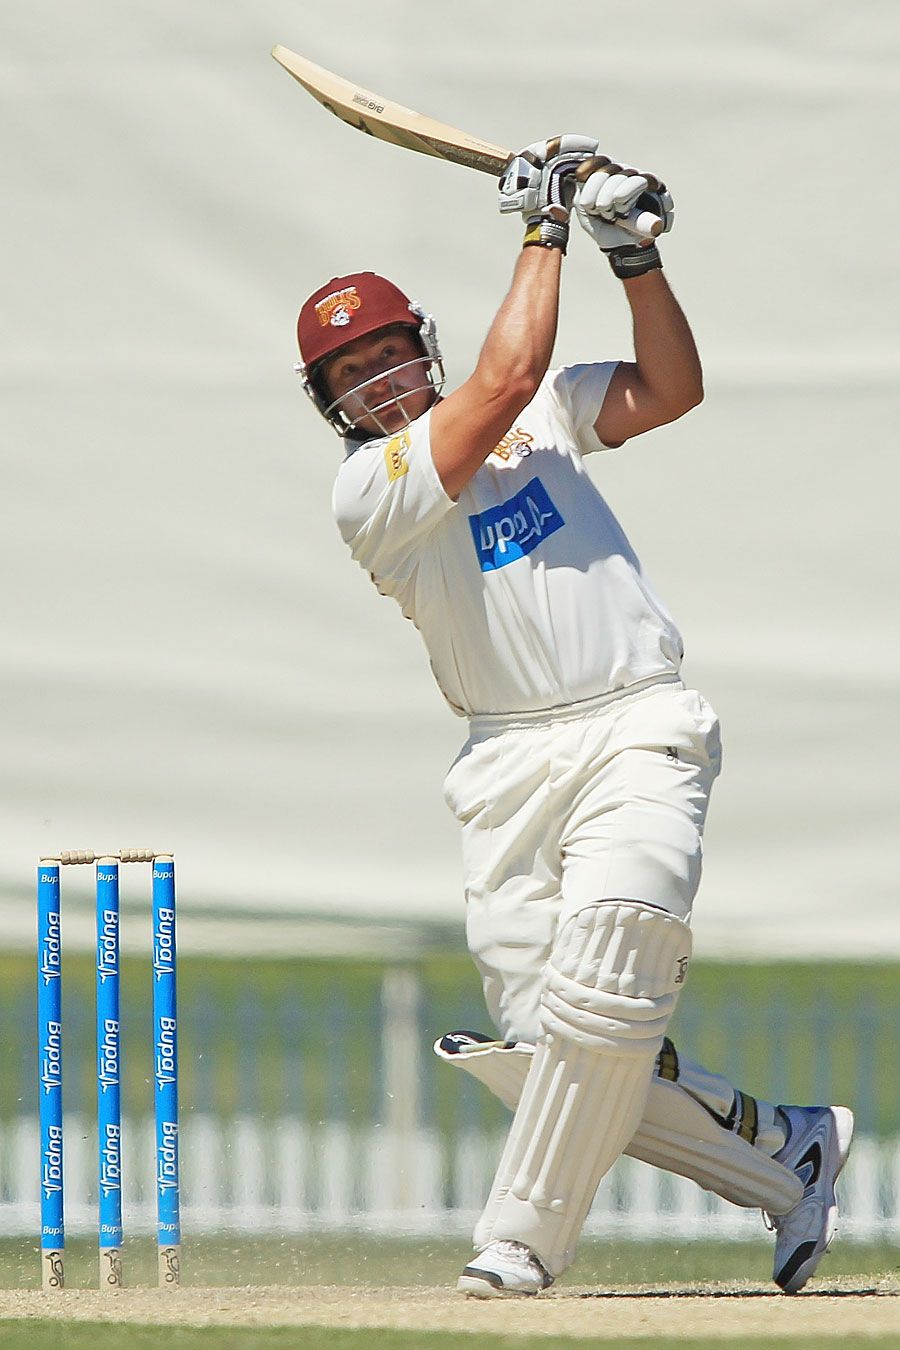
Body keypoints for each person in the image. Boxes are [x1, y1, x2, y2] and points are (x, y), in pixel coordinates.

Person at [294, 136, 853, 1296]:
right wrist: (543, 230)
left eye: (392, 353)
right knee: (558, 1050)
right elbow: (496, 382)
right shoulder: (371, 491)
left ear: (424, 349)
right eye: (352, 375)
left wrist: (627, 255)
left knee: (611, 971)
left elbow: (669, 390)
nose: (379, 381)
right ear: (331, 405)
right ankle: (784, 1154)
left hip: (636, 723)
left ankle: (520, 1243)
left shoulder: (540, 410)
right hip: (505, 763)